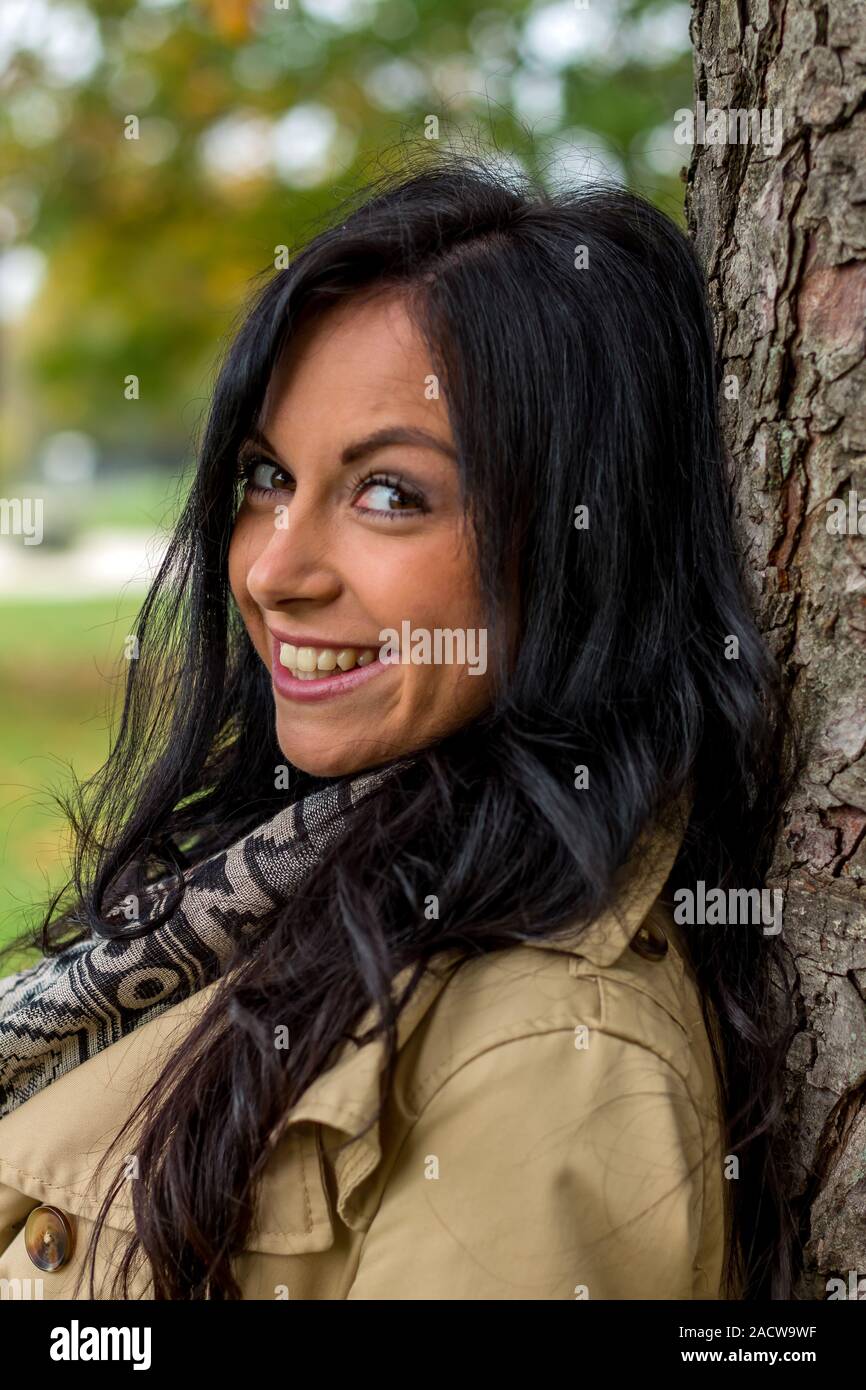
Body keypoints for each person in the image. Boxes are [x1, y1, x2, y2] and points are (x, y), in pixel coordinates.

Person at [0, 151, 796, 1300]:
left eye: (388, 493)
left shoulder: (544, 1067)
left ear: (582, 543)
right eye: (268, 478)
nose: (273, 570)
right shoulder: (304, 871)